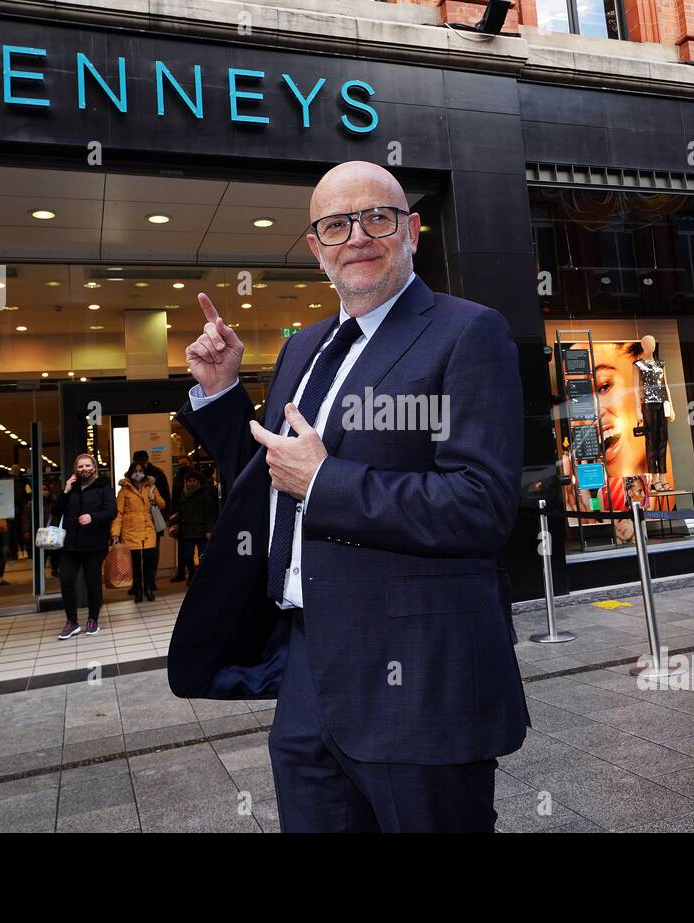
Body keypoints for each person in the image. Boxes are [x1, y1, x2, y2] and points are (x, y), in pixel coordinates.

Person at [169, 160, 528, 832]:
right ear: (315, 246)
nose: (357, 236)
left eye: (377, 218)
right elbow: (275, 480)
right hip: (310, 665)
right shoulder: (303, 348)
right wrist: (221, 393)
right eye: (336, 225)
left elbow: (479, 504)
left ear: (413, 231)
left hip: (421, 672)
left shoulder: (467, 331)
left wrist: (327, 480)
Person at [55, 453, 115, 640]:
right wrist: (65, 490)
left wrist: (93, 517)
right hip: (70, 544)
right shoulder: (71, 488)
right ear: (76, 469)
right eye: (80, 467)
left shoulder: (104, 487)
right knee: (66, 581)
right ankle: (71, 622)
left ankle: (92, 619)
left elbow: (112, 511)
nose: (84, 469)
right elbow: (56, 512)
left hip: (94, 544)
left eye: (87, 466)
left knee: (93, 583)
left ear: (94, 467)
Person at [112, 460, 166, 603]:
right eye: (136, 471)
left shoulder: (151, 487)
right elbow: (118, 513)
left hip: (148, 530)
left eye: (141, 471)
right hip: (130, 532)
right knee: (135, 564)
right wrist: (115, 533)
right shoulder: (124, 490)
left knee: (149, 563)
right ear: (131, 473)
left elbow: (163, 505)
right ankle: (138, 591)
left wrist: (155, 498)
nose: (138, 474)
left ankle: (148, 588)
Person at [168, 470, 217, 583]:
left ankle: (202, 576)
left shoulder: (205, 494)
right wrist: (172, 522)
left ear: (199, 481)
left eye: (194, 480)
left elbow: (210, 513)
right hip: (187, 531)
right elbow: (182, 512)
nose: (191, 483)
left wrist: (209, 530)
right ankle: (192, 574)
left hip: (201, 531)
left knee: (202, 556)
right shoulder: (184, 495)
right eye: (189, 481)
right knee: (187, 555)